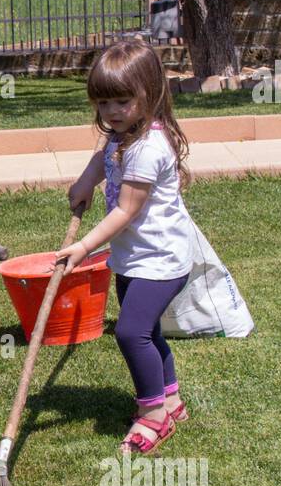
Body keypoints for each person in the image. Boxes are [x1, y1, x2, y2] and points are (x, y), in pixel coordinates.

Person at [55, 37, 194, 455]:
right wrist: (85, 181)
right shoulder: (124, 134)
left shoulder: (149, 148)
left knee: (131, 333)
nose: (110, 113)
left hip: (162, 260)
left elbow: (126, 212)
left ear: (148, 95)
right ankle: (170, 398)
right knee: (147, 330)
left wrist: (83, 247)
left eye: (121, 101)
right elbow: (104, 156)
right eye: (102, 103)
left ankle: (152, 414)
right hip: (135, 257)